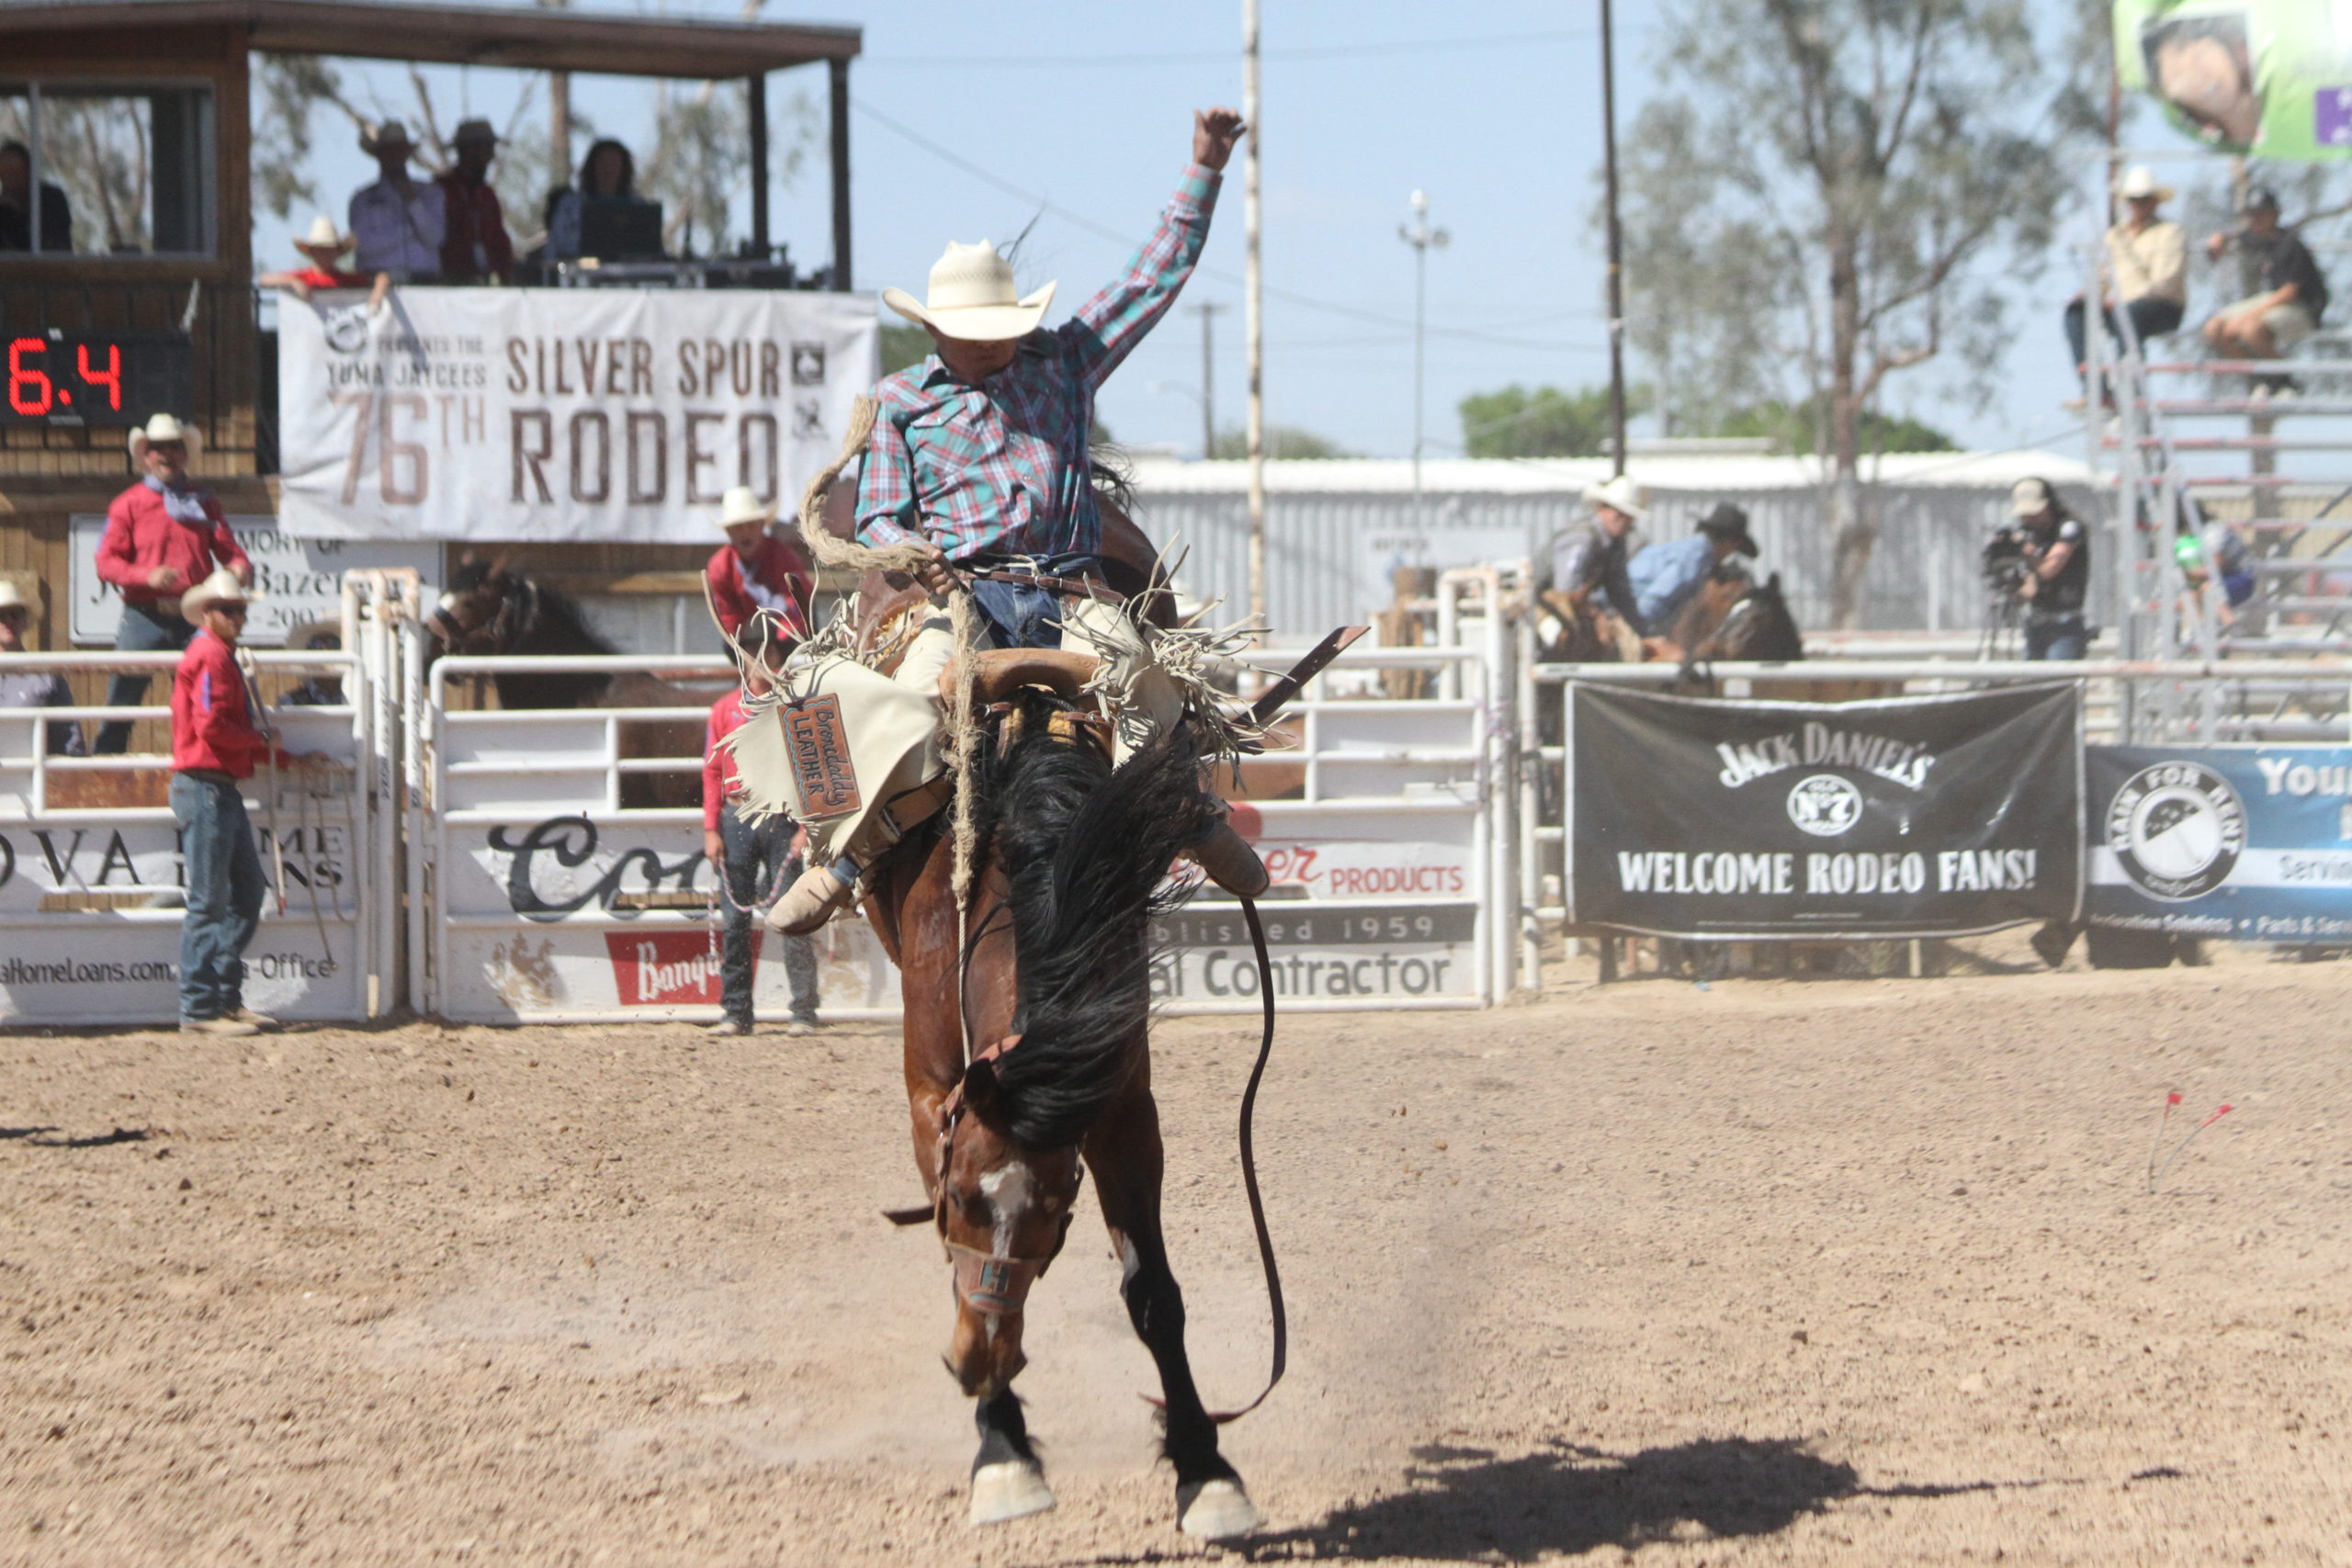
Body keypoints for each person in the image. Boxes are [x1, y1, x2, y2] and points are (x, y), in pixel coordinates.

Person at [762, 106, 1262, 935]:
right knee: (906, 706)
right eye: (975, 334)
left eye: (1002, 331)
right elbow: (883, 513)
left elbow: (1152, 280)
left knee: (1140, 672)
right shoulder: (899, 404)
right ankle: (845, 859)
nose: (994, 346)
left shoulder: (1065, 363)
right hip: (960, 600)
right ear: (935, 331)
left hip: (1068, 593)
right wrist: (913, 555)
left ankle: (1187, 811)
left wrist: (1204, 168)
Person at [169, 570, 326, 1038]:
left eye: (239, 609)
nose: (237, 617)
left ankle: (219, 999)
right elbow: (212, 727)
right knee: (215, 898)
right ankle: (202, 1006)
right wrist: (264, 740)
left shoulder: (217, 656)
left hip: (214, 785)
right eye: (229, 609)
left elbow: (218, 728)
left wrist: (285, 756)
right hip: (207, 784)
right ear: (208, 614)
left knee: (240, 892)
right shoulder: (212, 657)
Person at [93, 413, 254, 755]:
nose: (166, 455)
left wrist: (239, 566)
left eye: (173, 447)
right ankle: (104, 768)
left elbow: (229, 550)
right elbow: (105, 562)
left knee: (215, 688)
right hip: (144, 613)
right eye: (158, 449)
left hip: (193, 614)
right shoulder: (128, 504)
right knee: (122, 698)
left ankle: (213, 761)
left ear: (184, 454)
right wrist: (144, 576)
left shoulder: (204, 500)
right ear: (146, 455)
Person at [704, 625, 821, 1036]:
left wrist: (806, 826)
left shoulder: (792, 707)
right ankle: (736, 1011)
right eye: (750, 652)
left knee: (791, 915)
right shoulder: (723, 711)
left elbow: (808, 768)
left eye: (765, 652)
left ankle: (803, 1010)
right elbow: (713, 770)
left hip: (780, 816)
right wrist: (710, 829)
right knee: (734, 920)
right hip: (736, 817)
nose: (758, 660)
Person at [2064, 166, 2188, 390]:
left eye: (2144, 199)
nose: (2139, 204)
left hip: (2162, 309)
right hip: (2121, 309)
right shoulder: (2115, 236)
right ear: (2128, 202)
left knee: (2129, 314)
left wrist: (2120, 302)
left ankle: (2131, 390)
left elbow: (2165, 285)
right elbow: (2102, 279)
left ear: (2156, 201)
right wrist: (2089, 296)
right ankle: (2095, 390)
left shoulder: (2169, 233)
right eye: (2134, 199)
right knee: (2076, 312)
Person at [2204, 186, 2329, 394]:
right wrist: (2220, 238)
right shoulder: (2257, 239)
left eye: (2262, 214)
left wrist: (2250, 315)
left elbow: (2290, 292)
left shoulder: (2291, 244)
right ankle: (2261, 381)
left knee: (2249, 328)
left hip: (2302, 308)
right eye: (2252, 215)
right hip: (2273, 300)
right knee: (2214, 328)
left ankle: (2285, 383)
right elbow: (2235, 237)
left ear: (2275, 214)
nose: (2256, 220)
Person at [1546, 474, 1650, 659]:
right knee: (1558, 635)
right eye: (1618, 512)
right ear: (1601, 508)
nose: (1623, 520)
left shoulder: (1616, 545)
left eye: (1628, 515)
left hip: (1579, 605)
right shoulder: (1581, 538)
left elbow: (1621, 594)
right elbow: (1565, 591)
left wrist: (1642, 632)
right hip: (1544, 604)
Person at [1626, 502, 1759, 636]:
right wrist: (1645, 637)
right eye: (1733, 550)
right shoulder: (1694, 559)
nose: (1728, 556)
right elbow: (1653, 601)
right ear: (1731, 542)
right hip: (1625, 614)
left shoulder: (1692, 551)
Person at [705, 485, 815, 646]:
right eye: (738, 528)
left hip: (792, 628)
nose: (745, 533)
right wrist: (743, 650)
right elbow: (729, 616)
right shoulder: (720, 567)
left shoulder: (783, 557)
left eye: (751, 525)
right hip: (750, 634)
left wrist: (779, 650)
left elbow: (797, 605)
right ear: (728, 532)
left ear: (761, 526)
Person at [348, 119, 445, 281]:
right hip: (378, 283)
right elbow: (364, 245)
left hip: (425, 283)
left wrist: (413, 201)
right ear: (379, 155)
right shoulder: (363, 199)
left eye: (399, 150)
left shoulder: (429, 193)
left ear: (406, 153)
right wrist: (408, 232)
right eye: (388, 151)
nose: (394, 157)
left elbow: (435, 238)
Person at [0, 580, 85, 759]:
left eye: (14, 614)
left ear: (24, 622)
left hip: (32, 777)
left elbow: (69, 739)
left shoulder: (46, 676)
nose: (8, 621)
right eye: (1, 615)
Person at [2009, 478, 2090, 661]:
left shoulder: (2069, 528)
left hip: (2064, 624)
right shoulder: (2030, 534)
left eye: (2035, 513)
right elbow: (2030, 586)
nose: (2030, 519)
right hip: (2037, 623)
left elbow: (2048, 570)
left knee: (2056, 682)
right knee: (2032, 685)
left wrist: (2029, 555)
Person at [546, 138, 655, 262]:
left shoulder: (638, 207)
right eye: (603, 163)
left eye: (613, 163)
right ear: (592, 167)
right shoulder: (571, 206)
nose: (608, 169)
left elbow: (648, 251)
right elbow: (557, 246)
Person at [257, 215, 392, 310]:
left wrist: (377, 293)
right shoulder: (303, 277)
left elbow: (381, 277)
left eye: (329, 249)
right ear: (312, 252)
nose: (325, 254)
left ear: (338, 252)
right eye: (320, 249)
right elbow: (264, 279)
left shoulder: (346, 279)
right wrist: (293, 282)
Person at [437, 119, 514, 285]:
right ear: (469, 150)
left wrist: (505, 273)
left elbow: (499, 241)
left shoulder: (486, 194)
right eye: (486, 149)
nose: (490, 157)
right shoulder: (442, 190)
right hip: (451, 280)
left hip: (486, 279)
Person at [0, 139, 72, 252]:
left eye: (15, 172)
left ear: (28, 171)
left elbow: (47, 246)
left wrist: (19, 216)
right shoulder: (5, 210)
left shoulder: (50, 199)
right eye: (4, 174)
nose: (10, 180)